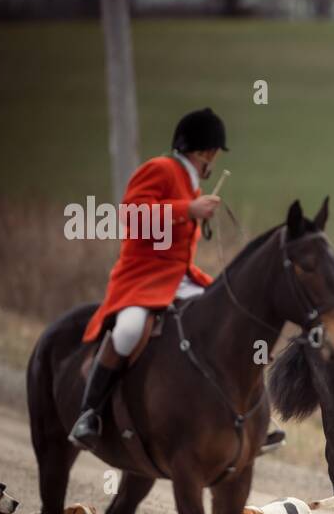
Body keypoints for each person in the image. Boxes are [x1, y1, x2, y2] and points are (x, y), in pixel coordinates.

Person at [70, 107, 284, 453]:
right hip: (142, 276)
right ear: (207, 152)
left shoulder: (191, 183)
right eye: (214, 152)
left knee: (232, 322)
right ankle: (89, 413)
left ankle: (253, 415)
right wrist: (188, 210)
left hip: (179, 276)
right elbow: (132, 216)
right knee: (128, 329)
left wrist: (192, 207)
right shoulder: (160, 169)